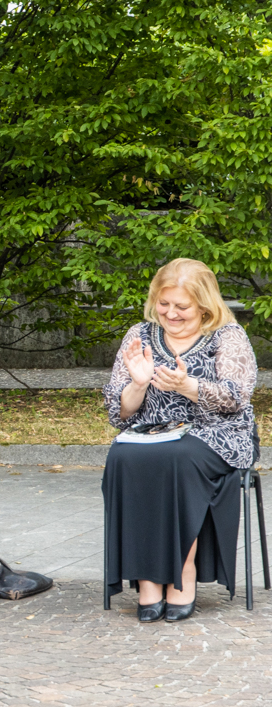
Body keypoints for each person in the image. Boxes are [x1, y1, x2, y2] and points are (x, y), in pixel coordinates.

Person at [102, 259, 257, 623]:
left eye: (181, 307)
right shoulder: (138, 335)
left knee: (177, 458)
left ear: (204, 305)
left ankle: (181, 573)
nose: (170, 313)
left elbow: (236, 397)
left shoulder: (227, 335)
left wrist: (189, 386)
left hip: (216, 434)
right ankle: (148, 581)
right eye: (164, 303)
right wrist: (138, 384)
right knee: (123, 456)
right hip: (152, 431)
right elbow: (117, 412)